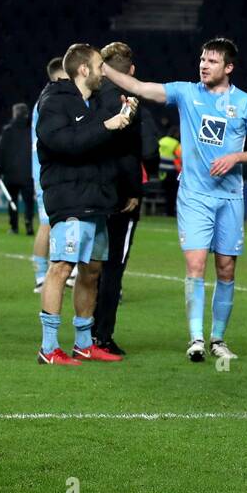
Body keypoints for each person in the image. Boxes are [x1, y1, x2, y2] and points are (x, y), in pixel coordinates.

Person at [99, 37, 247, 362]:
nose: (204, 65)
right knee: (195, 265)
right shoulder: (186, 92)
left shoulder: (246, 103)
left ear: (229, 67)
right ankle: (196, 339)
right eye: (202, 59)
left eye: (212, 61)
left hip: (230, 198)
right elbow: (139, 86)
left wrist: (235, 158)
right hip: (194, 196)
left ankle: (218, 339)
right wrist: (103, 67)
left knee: (226, 269)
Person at [34, 45, 135, 364]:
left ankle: (82, 343)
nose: (103, 71)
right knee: (61, 268)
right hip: (69, 200)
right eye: (98, 66)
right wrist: (107, 126)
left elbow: (96, 145)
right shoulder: (54, 101)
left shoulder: (89, 103)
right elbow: (63, 143)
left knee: (92, 271)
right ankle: (49, 347)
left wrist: (123, 119)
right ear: (83, 70)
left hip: (95, 201)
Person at [90, 42, 145, 357]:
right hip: (117, 196)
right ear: (131, 71)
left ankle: (85, 333)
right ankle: (102, 335)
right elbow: (127, 153)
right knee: (112, 267)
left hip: (92, 192)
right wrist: (133, 192)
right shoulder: (128, 102)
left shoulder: (91, 98)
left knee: (90, 265)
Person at [31, 57, 68, 293]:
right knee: (47, 224)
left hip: (49, 173)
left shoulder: (46, 100)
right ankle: (40, 275)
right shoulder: (49, 102)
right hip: (46, 174)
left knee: (59, 223)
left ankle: (58, 271)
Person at [0, 103, 35, 235]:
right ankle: (29, 224)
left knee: (12, 201)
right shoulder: (32, 131)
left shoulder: (8, 130)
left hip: (10, 174)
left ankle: (14, 227)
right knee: (28, 202)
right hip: (28, 173)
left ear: (14, 113)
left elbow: (0, 152)